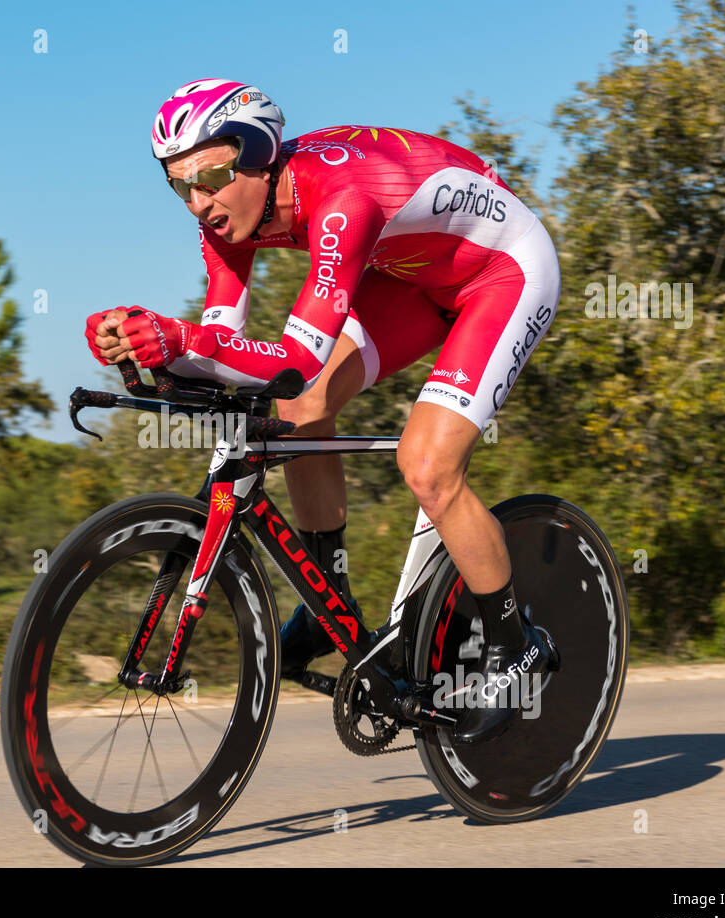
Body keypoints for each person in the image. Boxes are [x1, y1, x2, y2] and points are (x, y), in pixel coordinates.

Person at [86, 78, 558, 744]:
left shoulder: (342, 203)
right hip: (415, 279)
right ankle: (326, 599)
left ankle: (519, 646)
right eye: (180, 186)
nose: (199, 203)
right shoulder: (226, 222)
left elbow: (293, 356)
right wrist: (144, 347)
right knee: (298, 410)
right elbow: (227, 348)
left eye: (213, 177)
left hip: (502, 272)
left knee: (426, 465)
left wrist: (182, 339)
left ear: (259, 157)